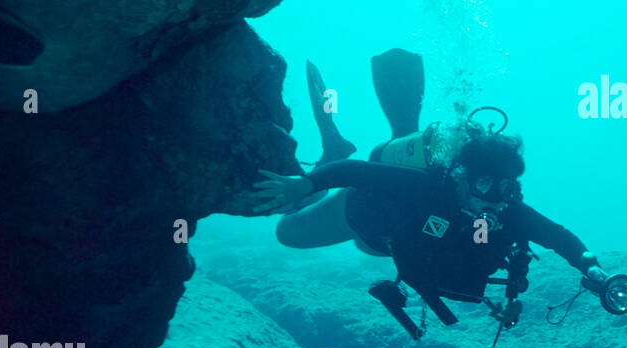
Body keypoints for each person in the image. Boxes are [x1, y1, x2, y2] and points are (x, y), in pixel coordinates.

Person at [255, 50, 608, 330]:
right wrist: (305, 184)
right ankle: (331, 148)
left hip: (402, 240)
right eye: (484, 184)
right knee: (287, 232)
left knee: (392, 173)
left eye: (504, 187)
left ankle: (401, 134)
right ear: (461, 177)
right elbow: (355, 171)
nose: (492, 197)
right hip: (361, 217)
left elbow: (559, 237)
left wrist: (590, 267)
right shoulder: (427, 188)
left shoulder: (508, 209)